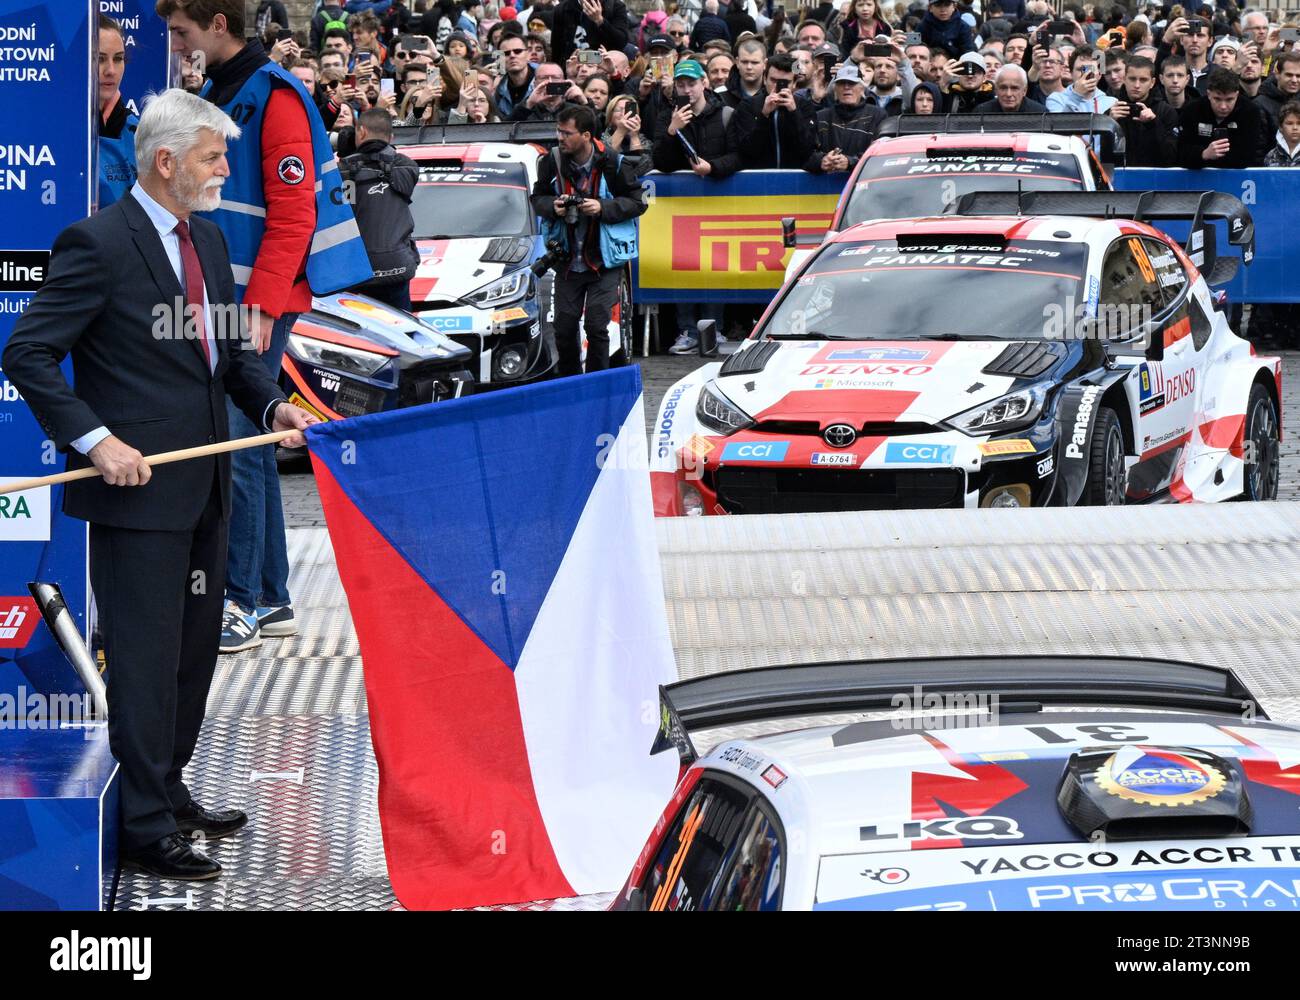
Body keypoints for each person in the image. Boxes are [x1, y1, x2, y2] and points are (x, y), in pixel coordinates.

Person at [1, 90, 316, 881]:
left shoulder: (207, 239)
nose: (223, 169)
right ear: (167, 161)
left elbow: (229, 360)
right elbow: (28, 353)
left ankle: (166, 792)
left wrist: (275, 403)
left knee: (190, 658)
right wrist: (97, 440)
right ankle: (141, 826)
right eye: (213, 156)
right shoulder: (97, 243)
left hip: (206, 487)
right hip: (137, 500)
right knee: (143, 661)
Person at [159, 0, 371, 654]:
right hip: (231, 295)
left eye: (181, 31)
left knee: (237, 450)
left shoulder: (273, 99)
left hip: (255, 301)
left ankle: (242, 601)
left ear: (217, 24)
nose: (174, 43)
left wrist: (261, 308)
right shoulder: (222, 91)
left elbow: (293, 216)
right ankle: (271, 597)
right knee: (248, 449)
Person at [530, 104, 646, 375]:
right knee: (565, 327)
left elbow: (638, 201)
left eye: (566, 133)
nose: (560, 138)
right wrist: (553, 207)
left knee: (596, 325)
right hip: (568, 259)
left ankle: (596, 382)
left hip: (604, 260)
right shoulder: (552, 160)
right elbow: (537, 198)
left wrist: (602, 208)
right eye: (559, 131)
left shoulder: (612, 161)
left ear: (585, 135)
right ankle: (571, 384)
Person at [339, 110, 420, 312]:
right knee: (401, 331)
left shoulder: (345, 172)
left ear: (361, 131)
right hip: (397, 266)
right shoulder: (406, 167)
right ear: (391, 137)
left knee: (362, 337)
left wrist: (347, 152)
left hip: (358, 272)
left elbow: (344, 206)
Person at [728, 53, 817, 169]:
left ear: (794, 83)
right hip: (759, 178)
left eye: (785, 83)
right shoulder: (748, 106)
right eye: (773, 80)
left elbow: (808, 149)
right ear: (764, 79)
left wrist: (794, 113)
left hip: (794, 178)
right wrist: (764, 115)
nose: (777, 87)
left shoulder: (804, 106)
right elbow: (746, 150)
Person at [653, 60, 739, 177]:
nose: (687, 90)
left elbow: (737, 157)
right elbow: (661, 164)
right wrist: (672, 131)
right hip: (682, 191)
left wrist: (711, 167)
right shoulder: (666, 117)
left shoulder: (726, 113)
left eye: (692, 84)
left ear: (703, 83)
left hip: (720, 189)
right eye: (681, 85)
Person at [1178, 66, 1267, 168]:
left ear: (1237, 95)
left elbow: (1248, 156)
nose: (1223, 106)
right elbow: (1182, 153)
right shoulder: (1192, 111)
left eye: (1229, 100)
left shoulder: (1250, 112)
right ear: (1209, 94)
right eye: (1217, 99)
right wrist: (1204, 154)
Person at [807, 63, 885, 172]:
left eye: (852, 83)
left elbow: (881, 156)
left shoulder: (878, 115)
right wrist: (822, 160)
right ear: (835, 89)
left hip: (862, 184)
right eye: (841, 83)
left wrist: (850, 162)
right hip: (824, 186)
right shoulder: (821, 116)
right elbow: (805, 155)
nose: (846, 87)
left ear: (862, 88)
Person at [97, 15, 138, 209]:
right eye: (99, 59)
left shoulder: (136, 130)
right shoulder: (56, 131)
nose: (111, 70)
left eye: (119, 59)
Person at [1114, 54, 1178, 166]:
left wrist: (1153, 124)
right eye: (1132, 79)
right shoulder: (1113, 111)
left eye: (1143, 80)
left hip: (1156, 179)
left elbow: (1172, 156)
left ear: (1152, 82)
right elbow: (1102, 156)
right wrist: (1109, 124)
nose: (1137, 85)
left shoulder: (1166, 112)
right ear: (1124, 79)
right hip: (1120, 179)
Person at [550, 0, 630, 69]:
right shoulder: (563, 8)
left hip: (601, 69)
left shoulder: (615, 6)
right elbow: (556, 48)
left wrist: (600, 21)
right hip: (571, 68)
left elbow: (621, 42)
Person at [1046, 46, 1119, 114]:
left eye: (1090, 69)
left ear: (1100, 74)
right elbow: (1061, 126)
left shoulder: (1111, 103)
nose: (1085, 74)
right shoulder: (1056, 99)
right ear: (1071, 72)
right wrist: (1076, 95)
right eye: (1080, 69)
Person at [511, 61, 587, 120]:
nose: (550, 82)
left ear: (564, 82)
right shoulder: (524, 109)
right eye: (544, 78)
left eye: (555, 78)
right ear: (535, 84)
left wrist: (585, 102)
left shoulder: (576, 110)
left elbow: (596, 132)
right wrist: (529, 104)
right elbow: (505, 131)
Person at [603, 93, 653, 176]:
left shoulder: (643, 140)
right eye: (619, 110)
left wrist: (634, 136)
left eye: (629, 110)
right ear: (610, 115)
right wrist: (620, 131)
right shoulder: (601, 138)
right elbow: (603, 160)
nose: (624, 114)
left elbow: (644, 168)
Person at [973, 63, 1048, 112]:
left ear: (1024, 91)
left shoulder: (1040, 113)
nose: (1008, 94)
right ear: (996, 90)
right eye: (1003, 88)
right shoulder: (981, 113)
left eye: (1014, 88)